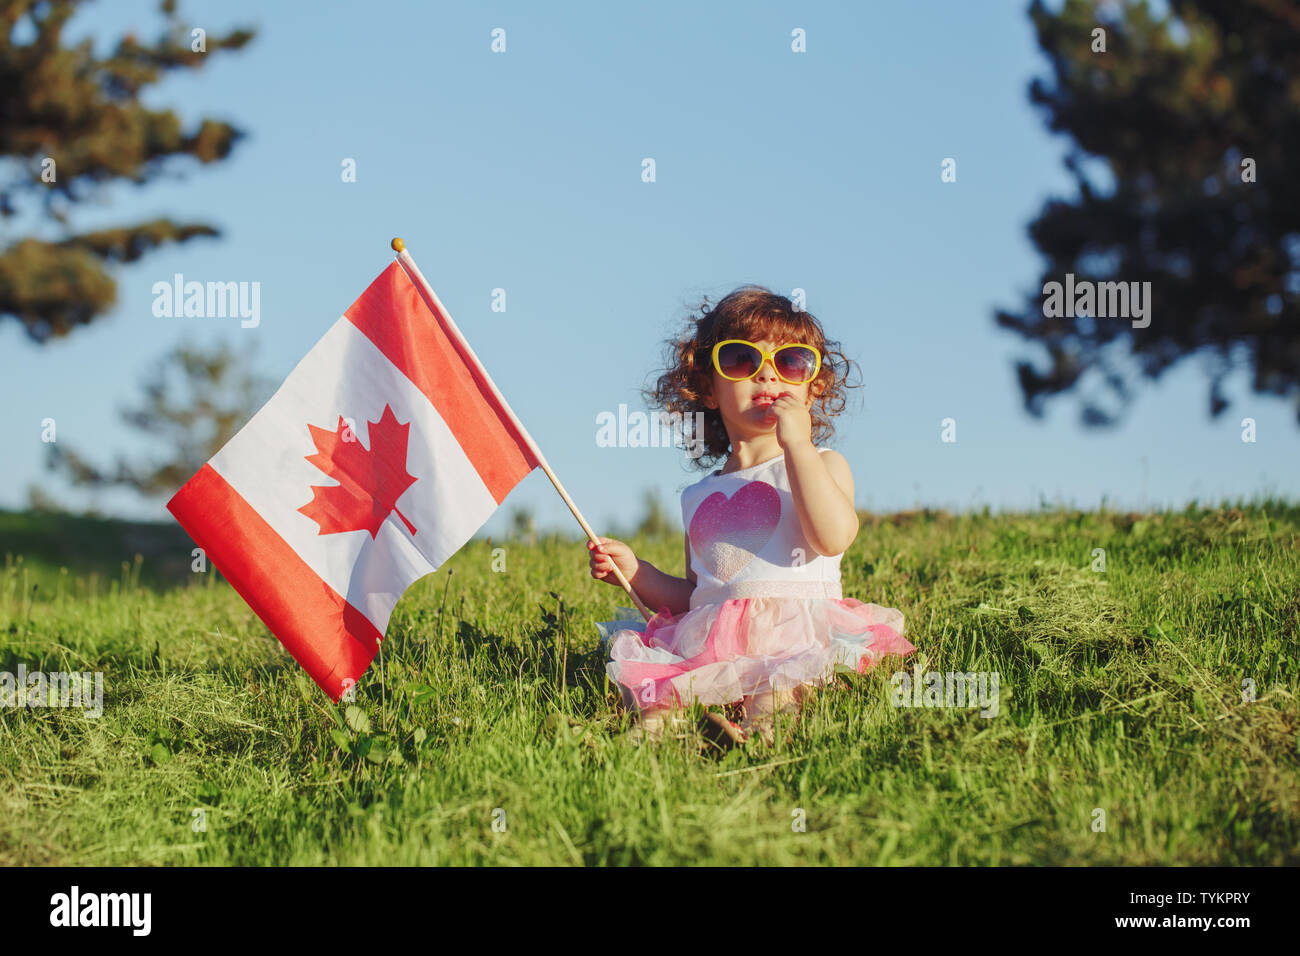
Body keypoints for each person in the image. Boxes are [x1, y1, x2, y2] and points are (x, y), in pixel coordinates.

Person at [589, 286, 916, 749]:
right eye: (742, 361)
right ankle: (657, 743)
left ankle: (758, 743)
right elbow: (696, 595)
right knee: (662, 692)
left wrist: (797, 445)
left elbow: (833, 537)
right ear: (708, 387)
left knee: (775, 692)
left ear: (812, 388)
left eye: (791, 362)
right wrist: (636, 573)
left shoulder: (821, 463)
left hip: (794, 638)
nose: (768, 376)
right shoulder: (700, 495)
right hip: (713, 641)